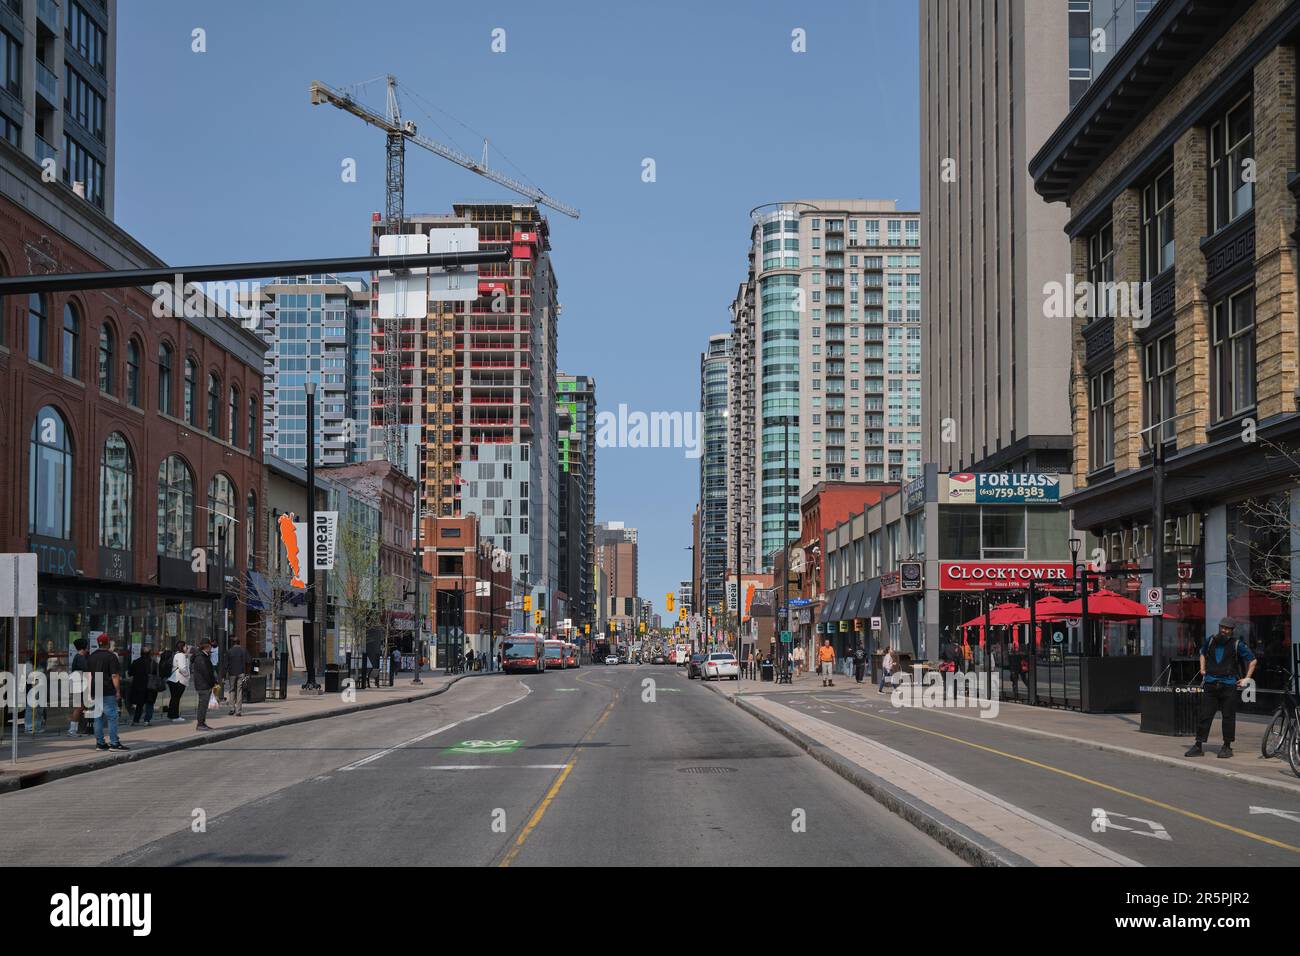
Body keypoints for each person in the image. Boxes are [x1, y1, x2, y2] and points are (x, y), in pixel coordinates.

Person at [1186, 618, 1256, 759]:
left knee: (1228, 717)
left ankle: (1227, 747)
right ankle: (1198, 746)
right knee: (1205, 715)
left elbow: (1253, 660)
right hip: (1210, 684)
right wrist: (1202, 668)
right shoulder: (1211, 640)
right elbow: (1202, 653)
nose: (1223, 630)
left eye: (1227, 628)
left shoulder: (1237, 644)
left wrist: (1247, 678)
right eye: (1222, 627)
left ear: (1231, 630)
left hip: (1229, 685)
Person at [87, 634, 127, 751]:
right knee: (112, 716)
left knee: (98, 716)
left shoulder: (92, 656)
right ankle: (114, 743)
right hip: (108, 688)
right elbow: (114, 675)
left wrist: (90, 691)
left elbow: (89, 675)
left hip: (96, 687)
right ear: (107, 643)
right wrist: (118, 690)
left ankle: (100, 743)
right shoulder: (111, 656)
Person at [128, 644, 160, 726]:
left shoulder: (136, 662)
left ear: (140, 653)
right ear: (149, 654)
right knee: (149, 704)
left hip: (139, 687)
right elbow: (157, 675)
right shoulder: (154, 663)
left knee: (139, 704)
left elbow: (130, 673)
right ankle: (147, 721)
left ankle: (136, 720)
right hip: (150, 687)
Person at [191, 638, 217, 732]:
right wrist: (212, 683)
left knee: (204, 705)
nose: (211, 648)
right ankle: (200, 723)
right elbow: (206, 672)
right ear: (207, 646)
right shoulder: (201, 657)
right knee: (203, 705)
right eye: (210, 646)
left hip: (204, 684)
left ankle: (202, 722)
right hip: (203, 685)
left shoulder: (203, 656)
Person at [66, 637, 91, 737]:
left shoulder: (78, 657)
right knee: (79, 707)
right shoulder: (80, 658)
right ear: (84, 647)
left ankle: (74, 729)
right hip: (79, 685)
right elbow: (86, 670)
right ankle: (72, 730)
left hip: (78, 685)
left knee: (81, 707)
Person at [222, 637, 250, 717]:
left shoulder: (229, 651)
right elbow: (249, 660)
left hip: (232, 673)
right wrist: (247, 672)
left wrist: (224, 675)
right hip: (241, 672)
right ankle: (238, 711)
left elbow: (225, 664)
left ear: (232, 643)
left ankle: (232, 709)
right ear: (239, 642)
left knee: (232, 690)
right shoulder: (243, 650)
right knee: (239, 690)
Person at [166, 639, 190, 722]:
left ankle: (171, 714)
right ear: (182, 647)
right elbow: (182, 668)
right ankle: (175, 716)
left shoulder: (177, 654)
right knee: (176, 698)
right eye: (186, 646)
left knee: (174, 698)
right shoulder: (181, 655)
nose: (187, 647)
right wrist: (187, 674)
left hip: (173, 680)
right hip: (178, 680)